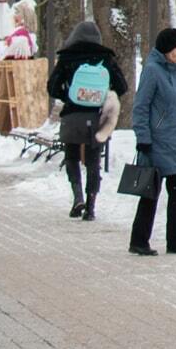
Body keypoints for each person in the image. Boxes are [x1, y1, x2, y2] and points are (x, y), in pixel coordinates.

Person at [48, 19, 127, 221]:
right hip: (96, 117)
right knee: (93, 162)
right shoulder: (106, 57)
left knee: (72, 157)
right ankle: (91, 207)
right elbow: (122, 86)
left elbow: (52, 87)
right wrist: (102, 95)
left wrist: (69, 96)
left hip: (72, 115)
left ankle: (78, 198)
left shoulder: (67, 56)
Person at [128, 28, 176, 256]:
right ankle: (139, 240)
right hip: (157, 143)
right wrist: (143, 138)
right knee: (150, 193)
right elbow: (140, 107)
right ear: (170, 49)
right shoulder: (152, 71)